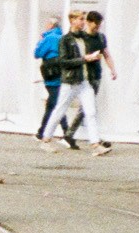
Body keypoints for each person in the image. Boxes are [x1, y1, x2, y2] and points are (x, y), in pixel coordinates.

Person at [47, 10, 113, 152]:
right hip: (70, 81)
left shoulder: (85, 37)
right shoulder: (66, 39)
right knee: (60, 109)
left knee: (90, 111)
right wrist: (85, 59)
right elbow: (63, 62)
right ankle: (46, 138)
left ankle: (95, 144)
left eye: (84, 19)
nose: (83, 22)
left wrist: (95, 56)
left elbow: (98, 47)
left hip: (84, 81)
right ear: (72, 21)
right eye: (81, 19)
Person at [32, 14, 67, 143]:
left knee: (54, 103)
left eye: (47, 24)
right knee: (55, 103)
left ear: (51, 25)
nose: (45, 26)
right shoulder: (62, 37)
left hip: (51, 74)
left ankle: (45, 133)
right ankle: (44, 132)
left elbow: (37, 53)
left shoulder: (49, 38)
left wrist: (41, 41)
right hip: (61, 73)